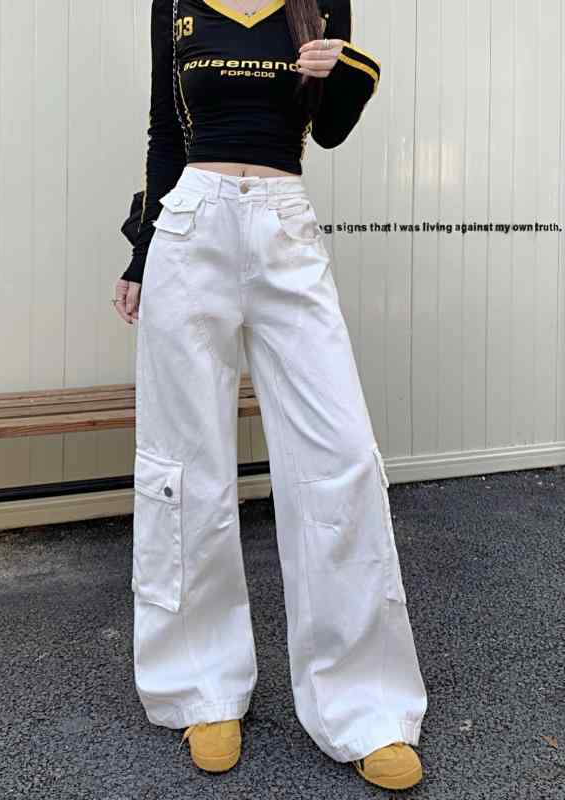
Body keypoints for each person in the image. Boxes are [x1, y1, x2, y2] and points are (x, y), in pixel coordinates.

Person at [113, 0, 428, 790]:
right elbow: (164, 132)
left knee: (340, 459)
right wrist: (142, 253)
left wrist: (347, 72)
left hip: (285, 227)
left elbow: (330, 128)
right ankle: (202, 689)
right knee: (186, 466)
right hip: (191, 228)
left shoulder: (317, 1)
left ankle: (365, 705)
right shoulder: (176, 2)